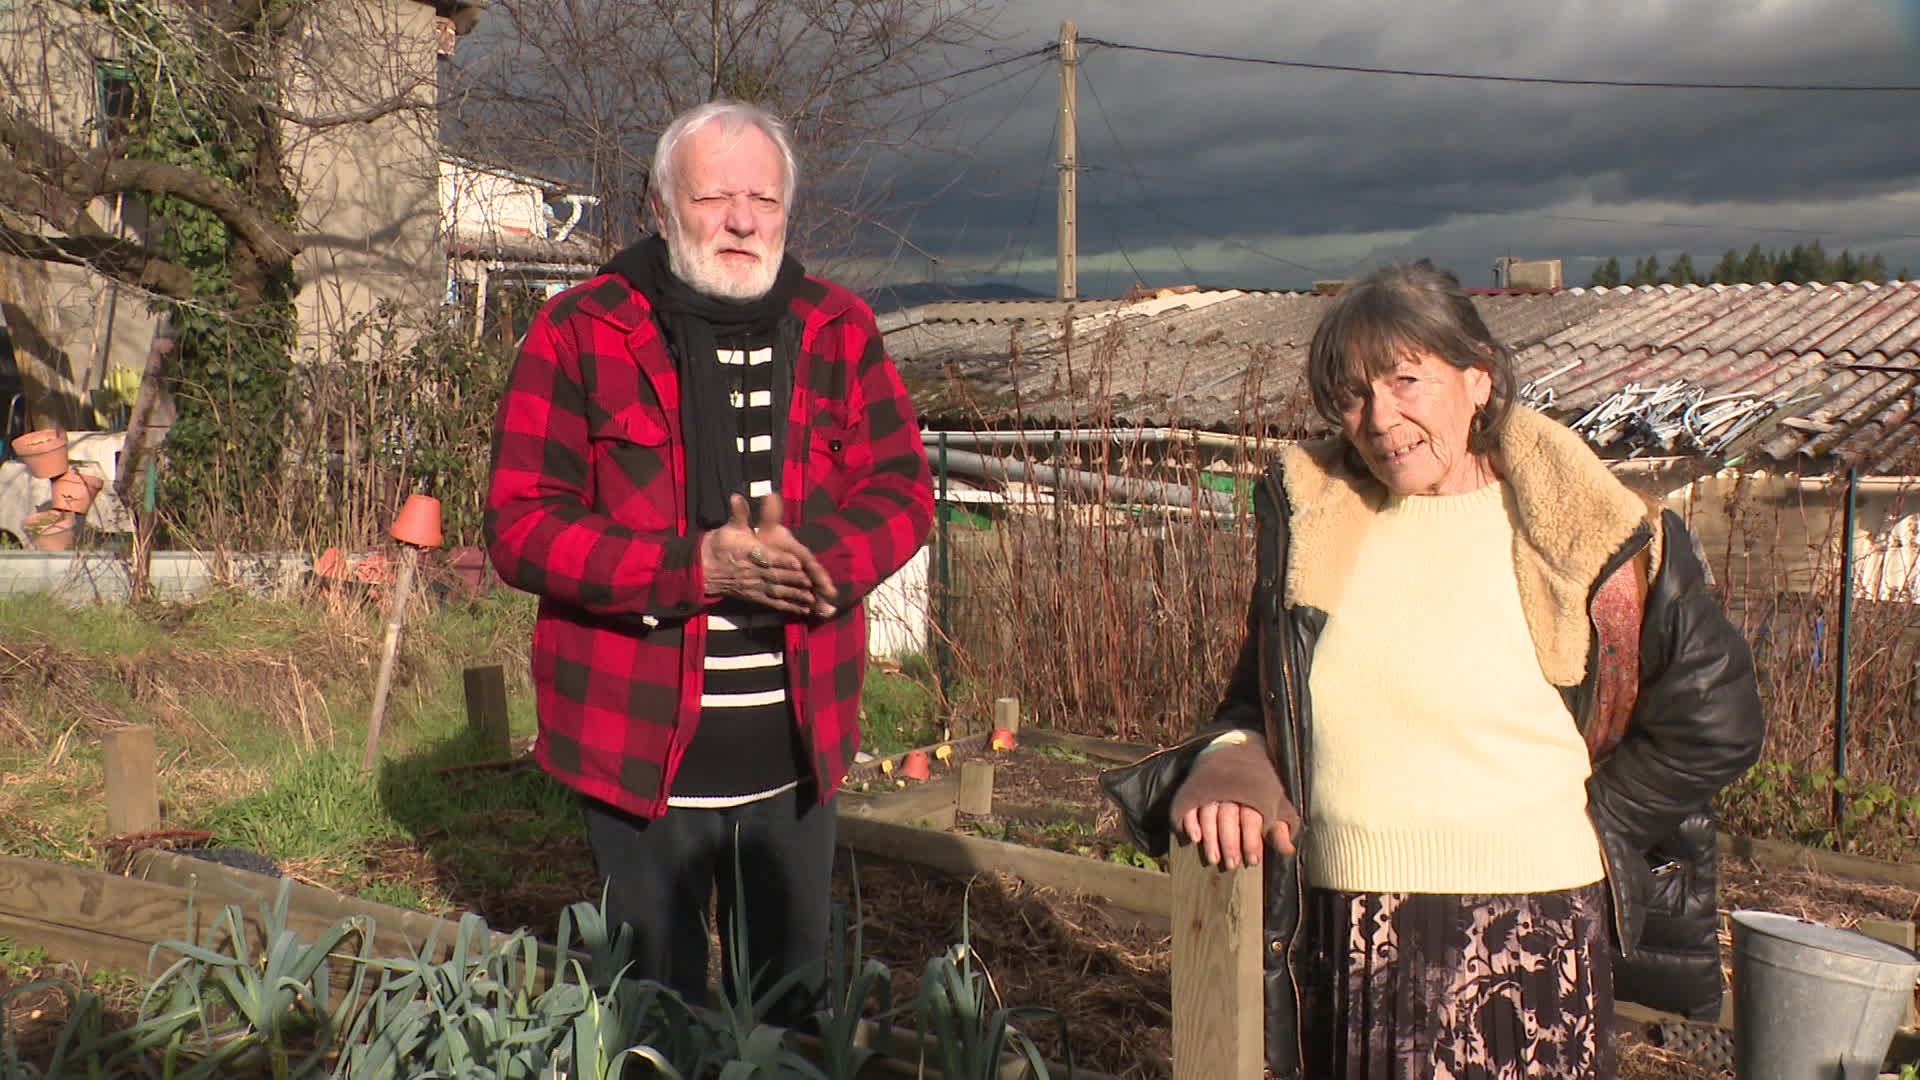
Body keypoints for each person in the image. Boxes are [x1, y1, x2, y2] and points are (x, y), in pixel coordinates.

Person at [1103, 261, 1764, 1079]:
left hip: (1531, 942)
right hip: (1348, 939)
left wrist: (1599, 821)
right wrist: (1229, 752)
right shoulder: (1319, 531)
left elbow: (1719, 721)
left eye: (1407, 381)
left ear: (1478, 379)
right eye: (1352, 395)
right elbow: (1257, 699)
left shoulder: (1591, 532)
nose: (1381, 418)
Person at [485, 100, 933, 1026]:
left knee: (791, 1017)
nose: (742, 220)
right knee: (656, 1017)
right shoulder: (581, 331)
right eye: (716, 196)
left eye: (763, 200)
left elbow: (903, 490)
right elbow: (520, 525)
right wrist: (696, 569)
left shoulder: (838, 329)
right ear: (660, 205)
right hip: (637, 753)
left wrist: (822, 562)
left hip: (799, 757)